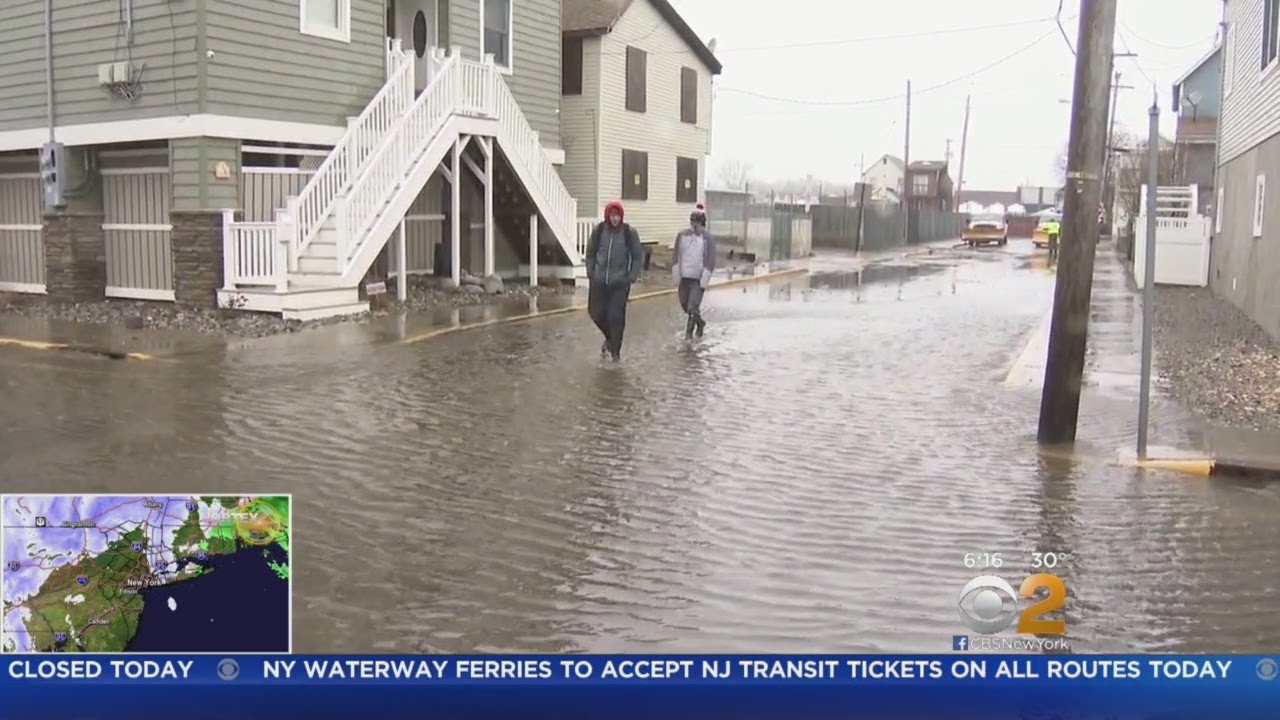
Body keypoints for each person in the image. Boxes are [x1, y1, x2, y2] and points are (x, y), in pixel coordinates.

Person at [585, 201, 645, 361]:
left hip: (619, 283)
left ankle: (615, 354)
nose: (615, 219)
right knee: (596, 313)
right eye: (612, 215)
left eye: (617, 216)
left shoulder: (628, 233)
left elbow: (638, 256)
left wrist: (631, 276)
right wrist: (591, 273)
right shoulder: (599, 231)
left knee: (615, 317)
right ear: (607, 216)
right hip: (599, 281)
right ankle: (610, 339)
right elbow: (590, 253)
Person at [671, 204, 716, 338]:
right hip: (684, 278)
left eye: (698, 222)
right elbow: (676, 255)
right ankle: (700, 322)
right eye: (693, 221)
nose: (695, 225)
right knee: (686, 306)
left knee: (692, 307)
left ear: (703, 222)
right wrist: (677, 274)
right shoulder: (682, 236)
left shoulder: (708, 239)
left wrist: (704, 279)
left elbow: (710, 260)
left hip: (697, 279)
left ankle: (688, 336)